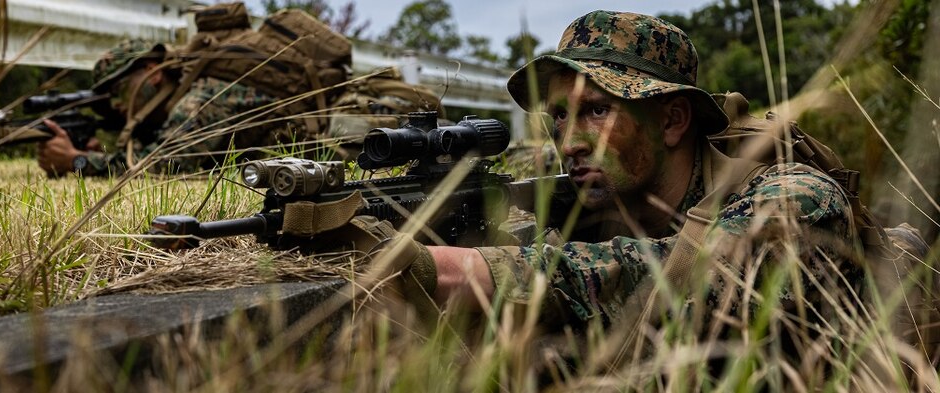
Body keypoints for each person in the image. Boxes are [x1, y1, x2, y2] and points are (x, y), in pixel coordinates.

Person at [354, 10, 859, 332]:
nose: (570, 142)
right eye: (558, 116)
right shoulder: (594, 201)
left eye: (597, 111)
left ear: (671, 120)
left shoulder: (798, 196)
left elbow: (678, 275)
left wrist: (453, 267)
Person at [37, 39, 281, 177]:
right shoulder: (174, 106)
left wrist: (77, 160)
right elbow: (146, 153)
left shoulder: (199, 99)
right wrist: (91, 152)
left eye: (119, 90)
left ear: (153, 72)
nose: (116, 104)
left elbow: (161, 168)